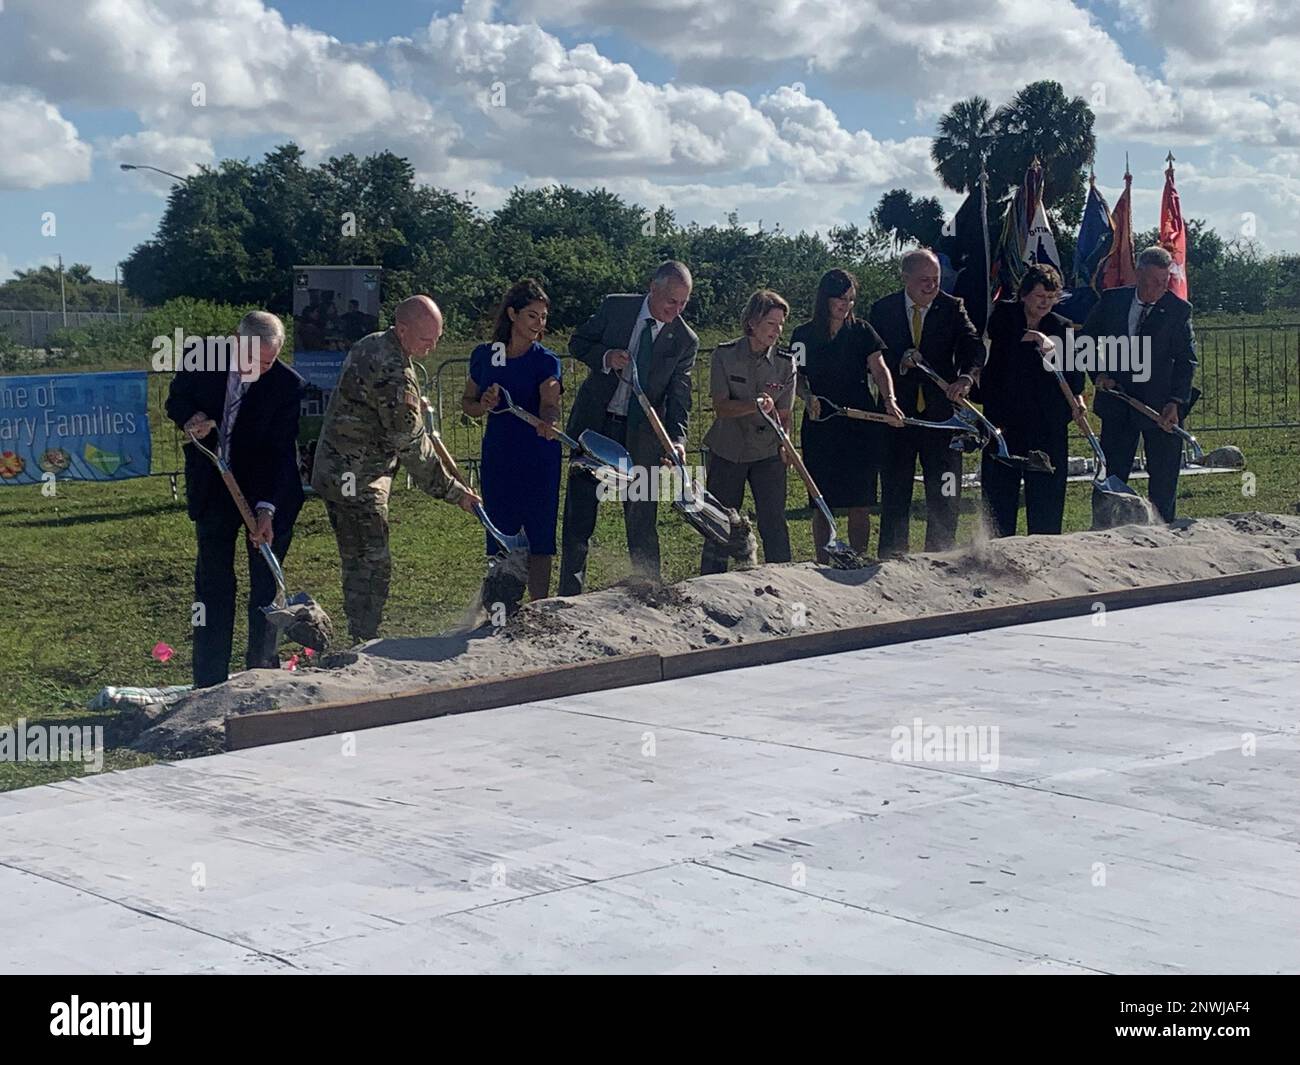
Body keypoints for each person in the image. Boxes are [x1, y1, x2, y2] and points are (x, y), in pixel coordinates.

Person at [311, 295, 482, 642]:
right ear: (402, 330)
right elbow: (411, 446)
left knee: (359, 558)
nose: (433, 347)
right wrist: (454, 492)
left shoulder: (374, 343)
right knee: (372, 563)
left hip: (338, 469)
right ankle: (363, 639)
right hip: (356, 478)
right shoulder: (395, 373)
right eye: (425, 339)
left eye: (437, 338)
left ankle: (360, 633)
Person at [165, 311, 304, 687]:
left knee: (265, 586)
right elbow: (175, 400)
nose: (258, 370)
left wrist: (267, 509)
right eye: (251, 360)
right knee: (212, 583)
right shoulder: (200, 357)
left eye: (268, 362)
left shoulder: (287, 386)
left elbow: (280, 454)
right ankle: (208, 680)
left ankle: (260, 674)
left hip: (260, 490)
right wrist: (192, 417)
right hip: (213, 485)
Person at [558, 261, 699, 594]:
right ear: (653, 288)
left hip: (643, 436)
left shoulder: (685, 340)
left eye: (683, 303)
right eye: (671, 301)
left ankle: (649, 588)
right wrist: (606, 357)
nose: (676, 310)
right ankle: (569, 595)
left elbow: (680, 395)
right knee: (580, 513)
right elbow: (578, 342)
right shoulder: (616, 307)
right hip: (595, 427)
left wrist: (677, 439)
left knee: (642, 515)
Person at [869, 248, 985, 556]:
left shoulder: (952, 307)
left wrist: (965, 379)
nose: (931, 286)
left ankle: (941, 554)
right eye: (923, 280)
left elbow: (974, 346)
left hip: (942, 418)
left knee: (945, 490)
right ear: (905, 278)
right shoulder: (883, 310)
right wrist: (899, 363)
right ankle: (893, 557)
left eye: (935, 280)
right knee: (895, 490)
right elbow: (872, 357)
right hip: (898, 418)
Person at [1078, 245, 1198, 523]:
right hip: (1118, 401)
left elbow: (1186, 360)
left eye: (1164, 281)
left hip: (1160, 408)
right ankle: (1103, 531)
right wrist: (1097, 375)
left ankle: (1161, 530)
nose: (1158, 288)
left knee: (1164, 477)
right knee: (1112, 474)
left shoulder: (1178, 310)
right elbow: (1085, 340)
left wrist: (1176, 401)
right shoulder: (1112, 301)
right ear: (1138, 275)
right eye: (1152, 281)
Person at [791, 269, 903, 563]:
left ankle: (858, 558)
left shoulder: (863, 331)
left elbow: (879, 369)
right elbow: (796, 377)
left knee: (860, 500)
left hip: (861, 424)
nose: (846, 306)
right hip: (820, 424)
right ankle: (822, 560)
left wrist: (889, 400)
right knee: (821, 501)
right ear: (825, 299)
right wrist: (807, 397)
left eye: (851, 300)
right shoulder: (802, 335)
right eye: (840, 299)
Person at [461, 279, 563, 600]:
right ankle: (501, 604)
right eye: (532, 316)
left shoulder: (546, 360)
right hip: (500, 456)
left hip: (538, 458)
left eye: (543, 317)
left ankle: (539, 608)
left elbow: (550, 404)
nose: (539, 324)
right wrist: (484, 404)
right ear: (512, 315)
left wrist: (548, 422)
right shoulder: (487, 356)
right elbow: (468, 403)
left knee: (539, 535)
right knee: (501, 531)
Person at [978, 264, 1084, 536]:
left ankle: (1045, 545)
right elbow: (1002, 339)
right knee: (1000, 491)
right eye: (1039, 297)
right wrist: (1037, 337)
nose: (1045, 303)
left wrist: (1078, 399)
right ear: (1024, 294)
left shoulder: (1061, 326)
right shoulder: (1003, 314)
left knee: (1047, 491)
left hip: (1046, 423)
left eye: (1051, 298)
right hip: (1004, 420)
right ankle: (997, 547)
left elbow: (1073, 374)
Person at [700, 290, 795, 574]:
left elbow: (785, 414)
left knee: (774, 520)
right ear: (752, 322)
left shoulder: (785, 362)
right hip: (728, 449)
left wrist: (786, 443)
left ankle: (784, 577)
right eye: (770, 324)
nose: (776, 331)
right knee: (719, 521)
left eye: (780, 325)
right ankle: (710, 580)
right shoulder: (724, 355)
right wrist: (753, 405)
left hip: (767, 451)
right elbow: (721, 407)